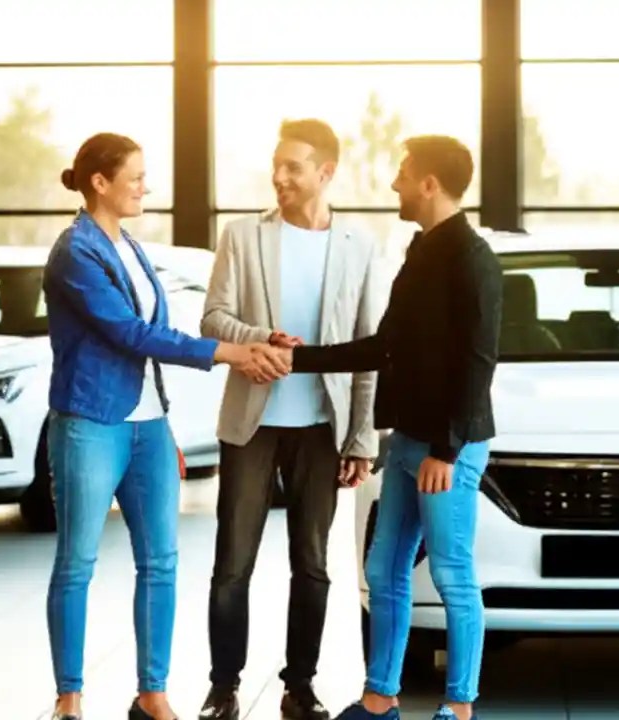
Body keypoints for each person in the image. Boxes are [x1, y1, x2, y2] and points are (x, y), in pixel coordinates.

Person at [41, 132, 288, 720]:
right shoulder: (75, 252)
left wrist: (169, 428)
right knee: (77, 561)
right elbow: (130, 333)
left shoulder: (129, 244)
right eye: (135, 177)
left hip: (148, 425)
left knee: (161, 561)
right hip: (91, 422)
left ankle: (152, 694)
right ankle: (69, 698)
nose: (145, 186)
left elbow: (156, 335)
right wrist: (227, 353)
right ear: (99, 182)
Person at [266, 135, 502, 720]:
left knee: (450, 573)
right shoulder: (418, 253)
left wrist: (447, 450)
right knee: (382, 568)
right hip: (408, 442)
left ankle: (460, 705)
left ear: (428, 184)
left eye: (402, 174)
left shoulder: (474, 258)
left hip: (449, 447)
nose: (394, 183)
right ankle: (379, 699)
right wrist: (299, 358)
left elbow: (478, 361)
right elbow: (385, 344)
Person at [197, 119, 386, 720]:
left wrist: (360, 438)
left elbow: (369, 350)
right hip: (251, 424)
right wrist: (261, 339)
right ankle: (223, 685)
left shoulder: (359, 245)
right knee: (233, 562)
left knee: (313, 564)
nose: (278, 177)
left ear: (325, 173)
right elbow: (213, 317)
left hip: (321, 430)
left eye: (293, 167)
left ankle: (298, 686)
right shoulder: (243, 236)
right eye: (276, 165)